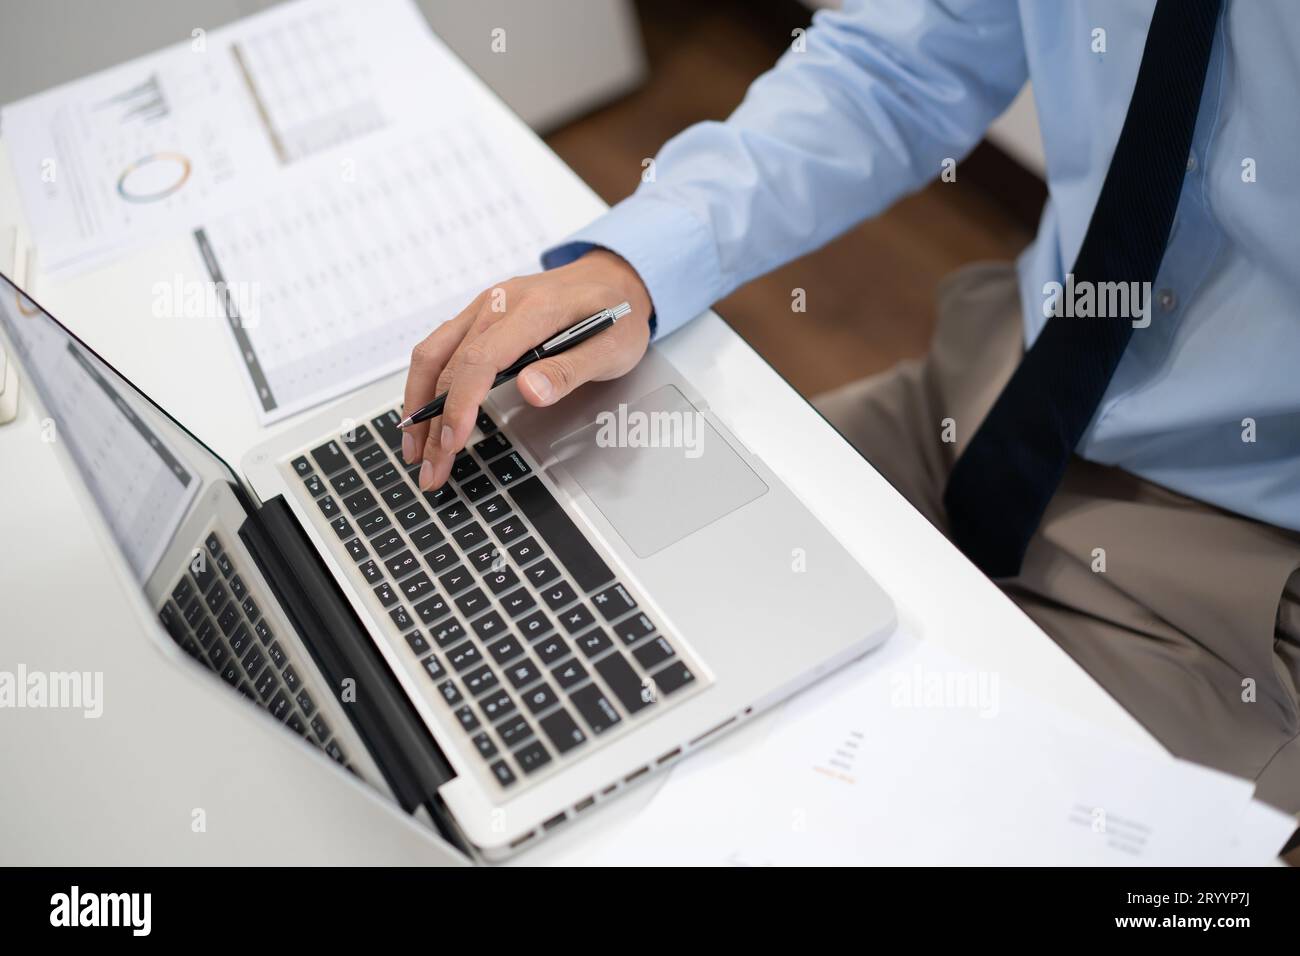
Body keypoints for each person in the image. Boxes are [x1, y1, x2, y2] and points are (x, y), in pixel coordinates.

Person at [401, 0, 1300, 811]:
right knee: (568, 626)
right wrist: (631, 266)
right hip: (996, 390)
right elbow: (904, 62)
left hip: (1233, 575)